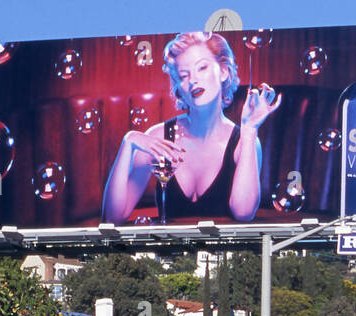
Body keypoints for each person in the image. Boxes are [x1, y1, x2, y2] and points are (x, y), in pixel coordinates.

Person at [102, 31, 282, 224]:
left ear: (223, 72)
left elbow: (244, 213)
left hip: (227, 253)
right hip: (168, 252)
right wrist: (128, 142)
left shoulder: (244, 140)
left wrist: (249, 131)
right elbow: (112, 217)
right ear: (178, 88)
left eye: (202, 68)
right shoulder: (158, 136)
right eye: (183, 75)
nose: (193, 80)